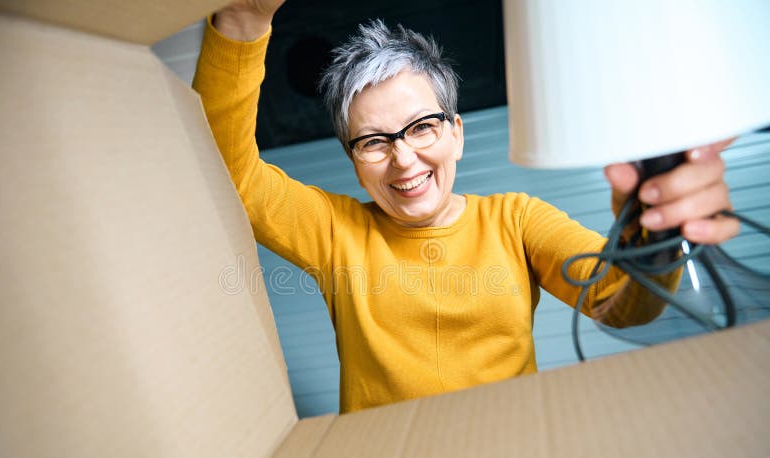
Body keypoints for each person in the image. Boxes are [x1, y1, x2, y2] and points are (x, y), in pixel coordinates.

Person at [192, 0, 739, 413]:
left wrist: (653, 228)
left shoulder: (516, 220)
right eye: (374, 141)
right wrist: (243, 19)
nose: (403, 159)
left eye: (421, 127)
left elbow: (618, 303)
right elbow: (230, 174)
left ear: (456, 133)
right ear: (354, 160)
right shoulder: (335, 230)